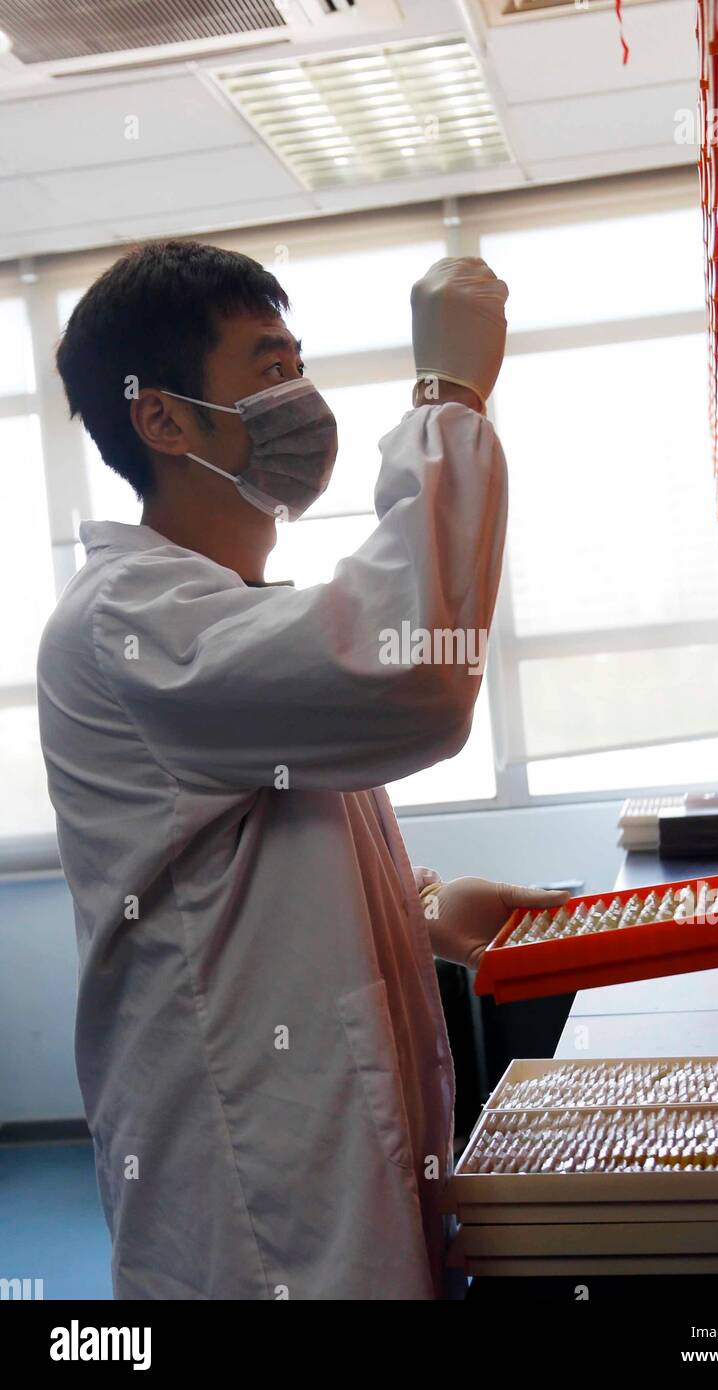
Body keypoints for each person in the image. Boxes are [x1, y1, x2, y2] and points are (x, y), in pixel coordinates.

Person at [37, 240, 568, 1300]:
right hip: (250, 1185)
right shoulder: (131, 624)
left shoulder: (227, 617)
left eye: (298, 364)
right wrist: (446, 398)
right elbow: (414, 671)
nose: (301, 399)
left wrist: (424, 907)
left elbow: (257, 854)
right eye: (268, 369)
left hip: (314, 1144)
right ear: (164, 418)